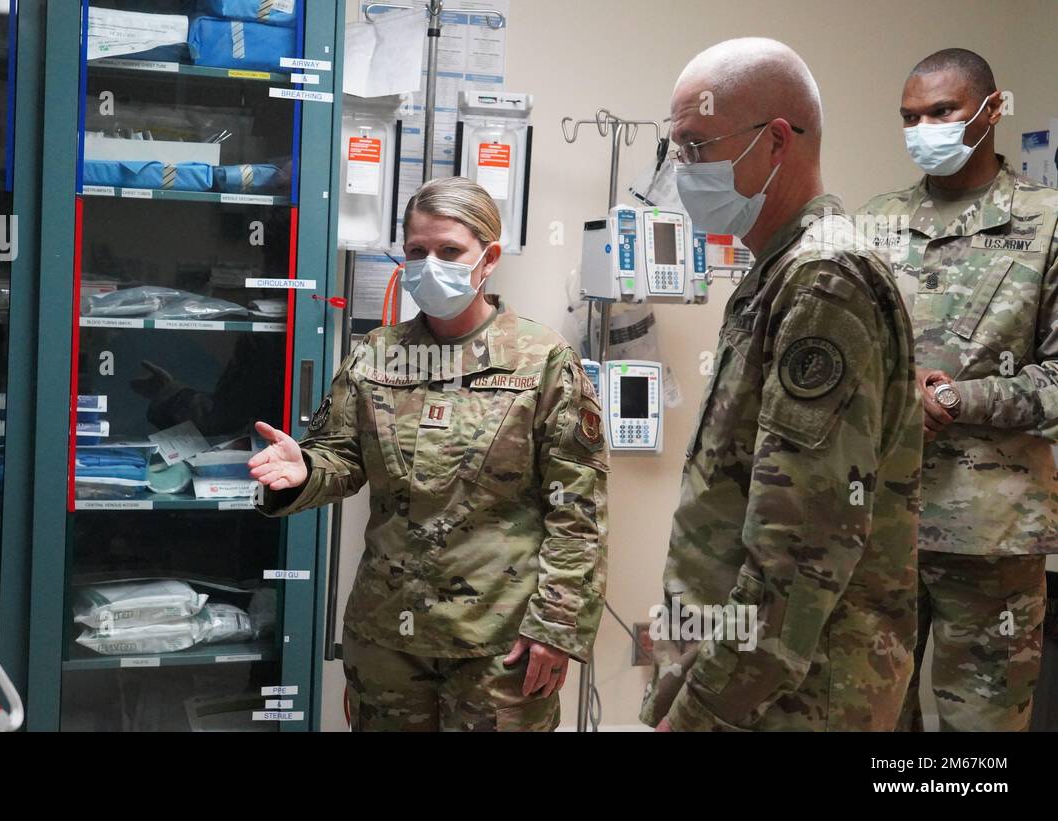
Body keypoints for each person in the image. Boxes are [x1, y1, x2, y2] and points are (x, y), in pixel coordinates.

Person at [249, 176, 610, 731]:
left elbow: (578, 512)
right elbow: (341, 459)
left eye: (449, 251)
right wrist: (305, 472)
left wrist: (556, 626)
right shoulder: (377, 354)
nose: (429, 265)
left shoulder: (541, 361)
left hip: (499, 640)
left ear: (487, 259)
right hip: (388, 634)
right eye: (417, 252)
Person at [638, 37, 923, 731]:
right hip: (751, 682)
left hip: (795, 697)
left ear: (773, 143)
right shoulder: (779, 272)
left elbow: (799, 550)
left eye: (696, 146)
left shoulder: (825, 281)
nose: (682, 169)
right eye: (673, 149)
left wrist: (702, 710)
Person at [858, 48, 1058, 731]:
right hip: (879, 524)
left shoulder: (1046, 222)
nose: (925, 129)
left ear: (992, 109)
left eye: (942, 111)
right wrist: (892, 382)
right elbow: (827, 361)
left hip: (990, 535)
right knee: (873, 721)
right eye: (911, 117)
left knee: (983, 735)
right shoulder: (870, 225)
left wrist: (957, 400)